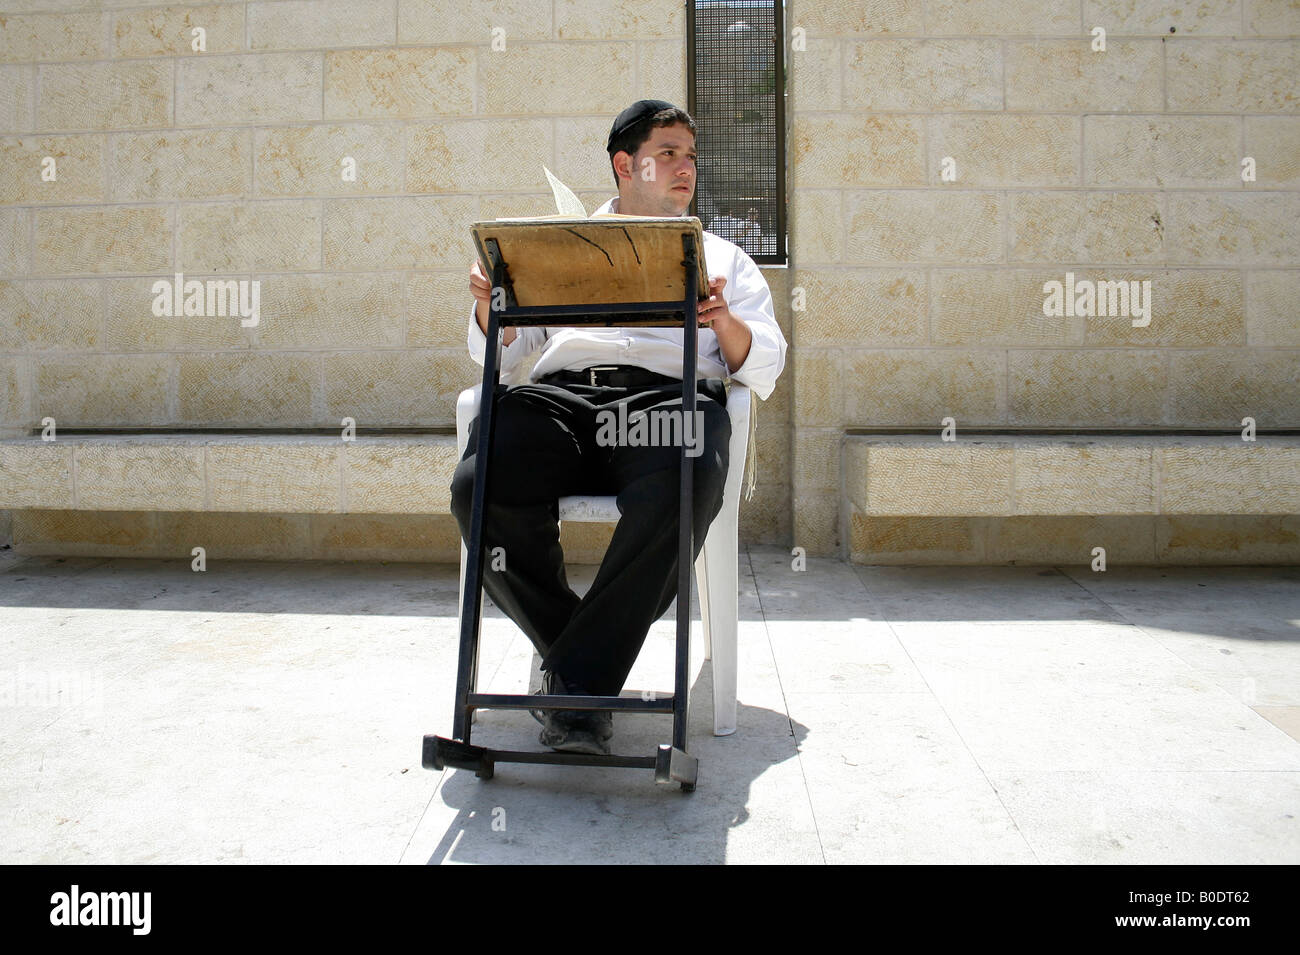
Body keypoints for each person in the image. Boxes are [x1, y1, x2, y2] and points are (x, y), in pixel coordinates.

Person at [450, 100, 787, 755]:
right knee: (480, 481)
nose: (686, 167)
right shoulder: (559, 247)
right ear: (624, 165)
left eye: (691, 155)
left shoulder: (722, 256)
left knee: (686, 473)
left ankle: (574, 687)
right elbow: (502, 355)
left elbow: (765, 362)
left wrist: (721, 320)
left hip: (668, 404)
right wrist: (495, 307)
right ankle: (584, 660)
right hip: (562, 402)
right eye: (669, 153)